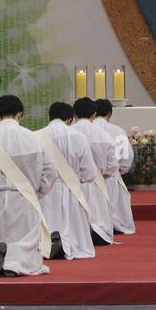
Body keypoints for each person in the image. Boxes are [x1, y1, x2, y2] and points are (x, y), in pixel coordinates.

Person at [0, 94, 57, 277]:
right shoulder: (33, 138)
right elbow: (50, 171)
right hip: (22, 197)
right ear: (20, 113)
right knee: (23, 240)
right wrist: (36, 192)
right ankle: (15, 264)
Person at [36, 101, 97, 260]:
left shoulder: (36, 136)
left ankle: (47, 245)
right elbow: (89, 172)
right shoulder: (78, 137)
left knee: (48, 220)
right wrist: (76, 179)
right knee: (72, 224)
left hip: (45, 190)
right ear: (70, 119)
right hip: (71, 188)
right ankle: (70, 244)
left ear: (49, 117)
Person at [70, 97, 118, 246]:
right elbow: (112, 166)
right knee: (98, 214)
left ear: (75, 115)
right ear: (94, 114)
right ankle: (98, 233)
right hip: (97, 181)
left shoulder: (69, 133)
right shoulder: (103, 134)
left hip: (72, 183)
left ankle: (78, 236)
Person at [93, 98, 135, 234]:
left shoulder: (86, 130)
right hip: (111, 176)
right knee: (114, 203)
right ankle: (115, 226)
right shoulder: (117, 130)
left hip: (89, 178)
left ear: (93, 113)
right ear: (110, 113)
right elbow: (126, 156)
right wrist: (119, 170)